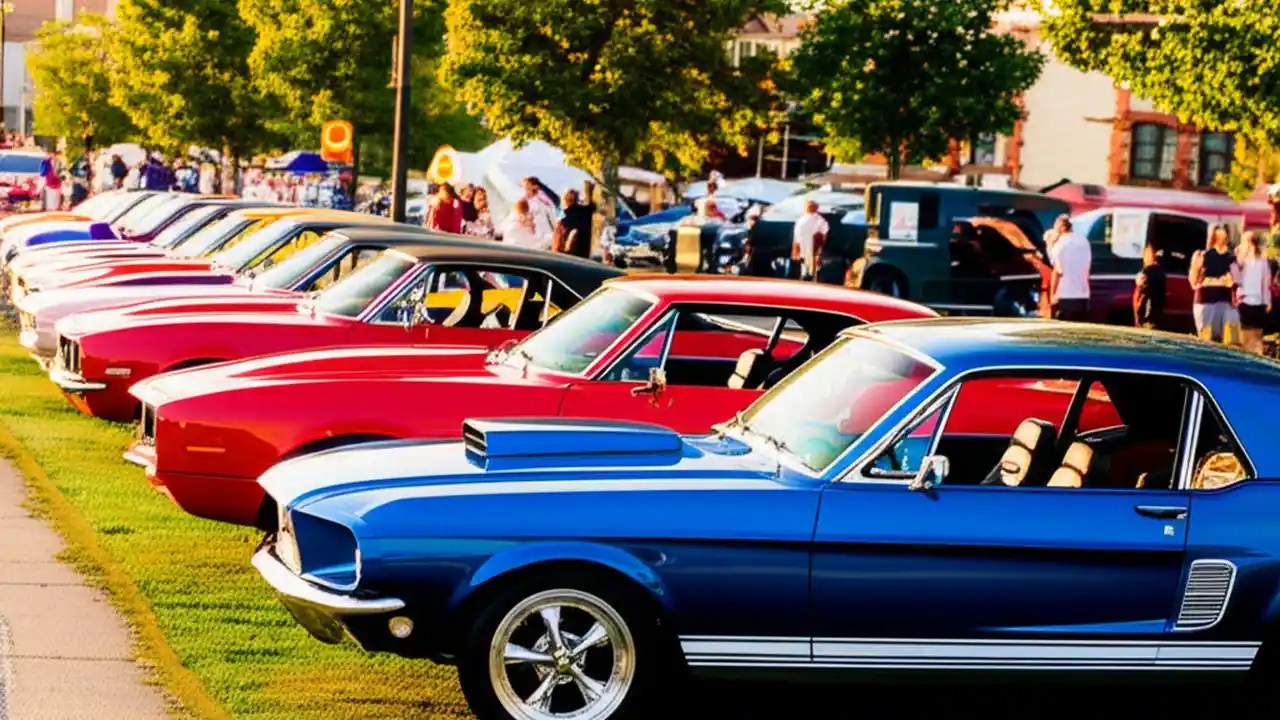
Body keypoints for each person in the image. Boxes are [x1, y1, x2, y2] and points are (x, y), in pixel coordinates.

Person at [1189, 224, 1238, 343]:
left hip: (1224, 302)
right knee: (1206, 340)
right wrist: (1219, 280)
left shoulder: (1231, 258)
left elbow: (1234, 281)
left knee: (1222, 341)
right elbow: (1194, 281)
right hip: (1205, 302)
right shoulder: (1201, 255)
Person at [1047, 215, 1091, 321]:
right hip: (1083, 294)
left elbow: (1057, 271)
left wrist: (1052, 295)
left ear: (1061, 228)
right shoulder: (1083, 240)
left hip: (1065, 294)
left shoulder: (1059, 245)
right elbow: (1087, 268)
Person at [1234, 231, 1272, 354]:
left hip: (1259, 302)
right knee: (1246, 335)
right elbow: (1236, 278)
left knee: (1257, 336)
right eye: (1247, 241)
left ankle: (1257, 358)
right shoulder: (1241, 260)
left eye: (1251, 241)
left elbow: (1266, 282)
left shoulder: (1263, 261)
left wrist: (1267, 301)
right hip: (1244, 301)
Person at [555, 182, 597, 258]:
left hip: (565, 255)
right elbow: (592, 206)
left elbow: (558, 235)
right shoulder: (585, 211)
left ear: (565, 200)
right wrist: (590, 191)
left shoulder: (563, 214)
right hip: (583, 255)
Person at [1132, 244, 1167, 330]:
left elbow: (1142, 297)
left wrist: (1139, 318)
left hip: (1148, 317)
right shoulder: (1159, 272)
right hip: (1153, 317)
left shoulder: (1149, 272)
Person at [792, 199, 828, 281]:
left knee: (810, 263)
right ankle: (806, 275)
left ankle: (810, 276)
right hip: (805, 245)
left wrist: (820, 247)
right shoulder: (801, 220)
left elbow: (824, 233)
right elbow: (796, 236)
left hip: (812, 245)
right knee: (804, 263)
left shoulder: (818, 220)